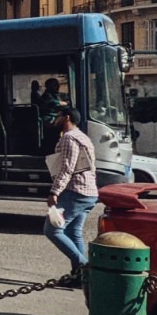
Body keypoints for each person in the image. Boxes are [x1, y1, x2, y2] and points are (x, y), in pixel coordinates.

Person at [44, 107, 98, 283]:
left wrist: (55, 191)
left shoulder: (69, 138)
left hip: (75, 190)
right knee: (74, 232)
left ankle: (86, 269)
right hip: (89, 191)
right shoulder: (83, 137)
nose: (55, 119)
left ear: (66, 118)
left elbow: (67, 167)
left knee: (52, 230)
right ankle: (79, 277)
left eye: (58, 116)